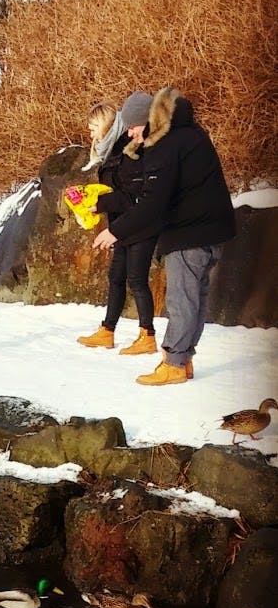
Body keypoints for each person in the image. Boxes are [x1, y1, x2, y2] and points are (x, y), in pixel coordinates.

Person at [93, 87, 235, 385]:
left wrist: (114, 230)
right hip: (213, 230)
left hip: (190, 232)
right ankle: (184, 360)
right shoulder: (189, 132)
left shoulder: (165, 145)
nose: (130, 133)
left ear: (147, 120)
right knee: (195, 298)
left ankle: (173, 362)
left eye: (132, 126)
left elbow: (152, 202)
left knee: (182, 300)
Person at [76, 94, 159, 355]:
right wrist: (93, 195)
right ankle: (108, 330)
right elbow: (117, 189)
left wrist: (99, 204)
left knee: (136, 278)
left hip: (140, 224)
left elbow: (133, 194)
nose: (91, 135)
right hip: (122, 223)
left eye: (92, 129)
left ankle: (148, 336)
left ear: (104, 125)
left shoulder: (131, 148)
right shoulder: (113, 150)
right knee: (116, 277)